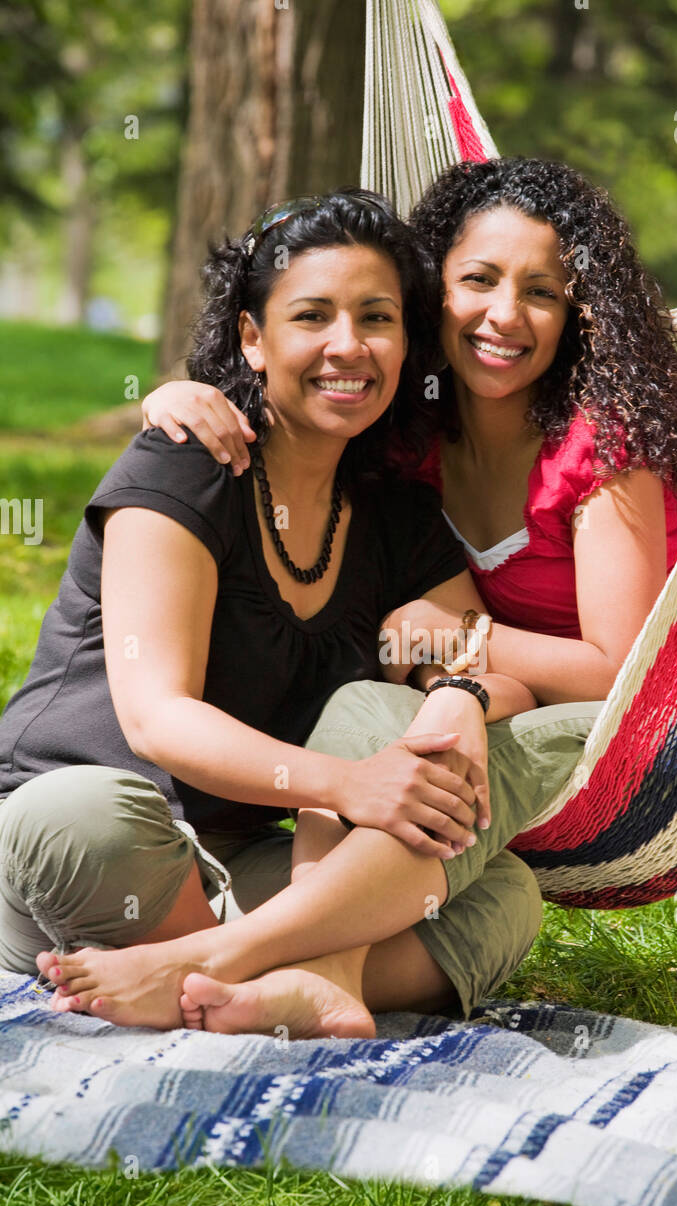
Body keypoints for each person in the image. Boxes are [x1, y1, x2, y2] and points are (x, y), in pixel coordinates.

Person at [0, 189, 602, 1038]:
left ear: (407, 342)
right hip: (93, 837)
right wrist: (352, 784)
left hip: (236, 865)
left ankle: (226, 976)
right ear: (253, 338)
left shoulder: (393, 514)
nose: (347, 346)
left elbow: (476, 663)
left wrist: (458, 700)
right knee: (83, 820)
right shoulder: (187, 466)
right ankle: (269, 966)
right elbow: (157, 719)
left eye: (377, 318)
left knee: (501, 893)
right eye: (312, 316)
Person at [143, 158, 677, 873]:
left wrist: (456, 638)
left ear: (574, 316)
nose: (504, 315)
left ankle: (284, 964)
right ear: (430, 294)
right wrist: (177, 397)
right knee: (364, 712)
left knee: (426, 760)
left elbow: (622, 672)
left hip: (614, 733)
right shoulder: (415, 442)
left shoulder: (598, 448)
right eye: (478, 280)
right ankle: (306, 945)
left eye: (541, 293)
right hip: (480, 698)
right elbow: (292, 415)